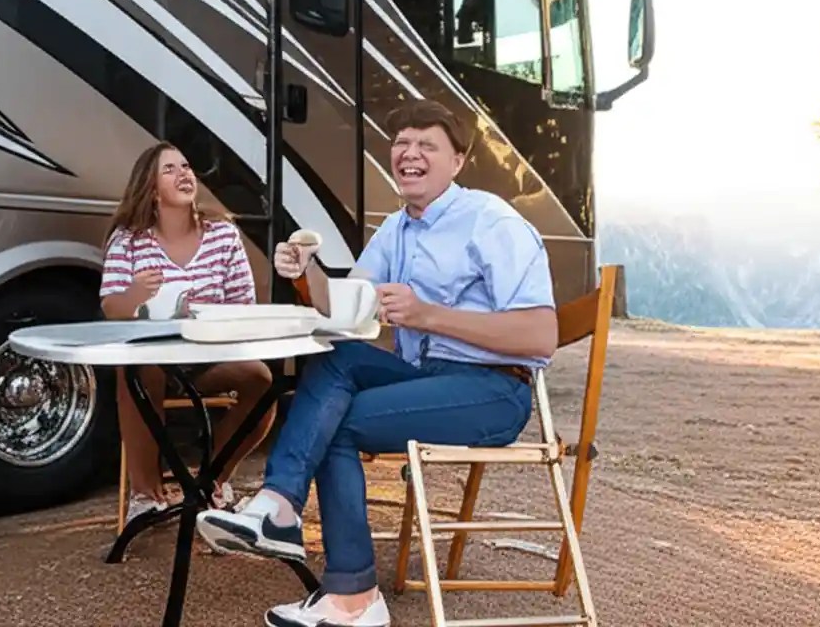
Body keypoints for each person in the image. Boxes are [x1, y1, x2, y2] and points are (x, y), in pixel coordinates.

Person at [194, 99, 559, 627]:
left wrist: (429, 315)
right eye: (401, 144)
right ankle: (279, 506)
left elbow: (540, 335)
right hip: (427, 379)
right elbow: (346, 312)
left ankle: (353, 594)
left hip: (494, 390)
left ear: (458, 161)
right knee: (337, 357)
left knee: (332, 424)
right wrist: (306, 271)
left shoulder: (492, 221)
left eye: (426, 144)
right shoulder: (396, 229)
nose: (409, 154)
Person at [100, 141, 275, 528]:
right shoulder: (128, 239)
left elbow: (243, 306)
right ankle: (146, 497)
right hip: (152, 357)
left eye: (187, 166)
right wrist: (135, 295)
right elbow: (112, 309)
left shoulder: (222, 235)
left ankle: (211, 481)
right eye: (170, 169)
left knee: (262, 381)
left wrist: (211, 317)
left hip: (209, 354)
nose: (184, 174)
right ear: (149, 186)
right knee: (134, 368)